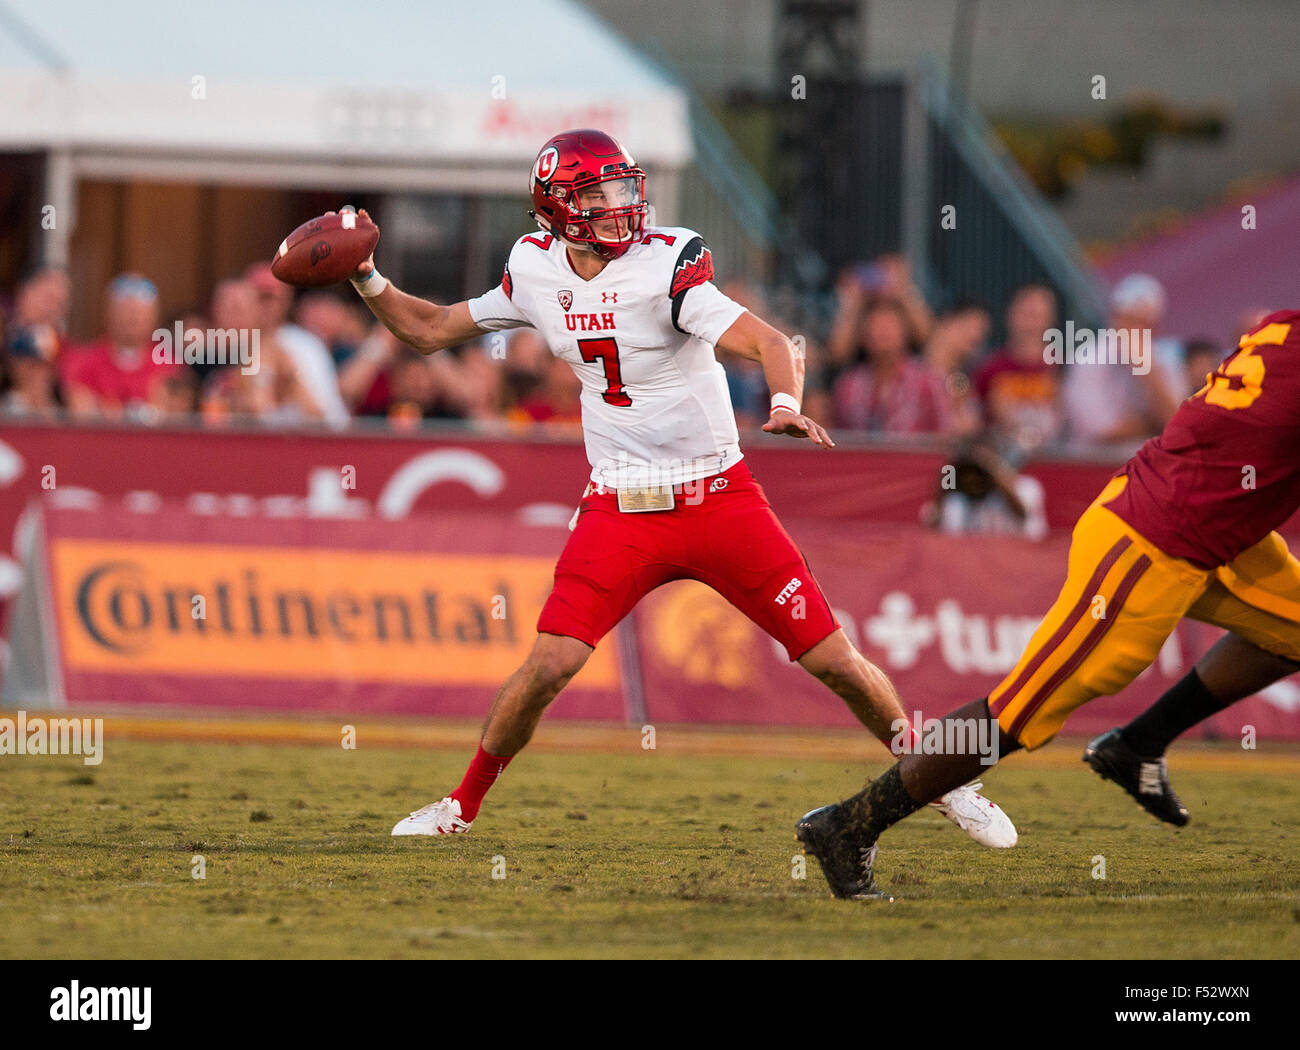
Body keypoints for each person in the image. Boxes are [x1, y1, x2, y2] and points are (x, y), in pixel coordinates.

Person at [344, 128, 1016, 849]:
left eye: (621, 187)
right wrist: (367, 278)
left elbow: (767, 340)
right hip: (621, 504)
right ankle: (460, 805)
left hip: (718, 495)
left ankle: (941, 779)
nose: (619, 204)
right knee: (548, 665)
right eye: (596, 194)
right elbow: (433, 327)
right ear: (557, 210)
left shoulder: (668, 260)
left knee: (835, 660)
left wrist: (785, 404)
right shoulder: (533, 267)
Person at [796, 310, 1300, 898]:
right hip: (1152, 539)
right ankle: (849, 825)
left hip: (1215, 528)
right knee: (1018, 713)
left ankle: (1138, 744)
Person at [59, 274, 185, 422]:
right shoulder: (81, 361)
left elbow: (175, 415)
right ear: (107, 314)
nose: (132, 317)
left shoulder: (169, 365)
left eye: (139, 312)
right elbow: (81, 410)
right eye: (124, 310)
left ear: (154, 317)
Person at [973, 283, 1065, 453]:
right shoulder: (990, 368)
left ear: (1051, 319)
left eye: (1037, 315)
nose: (1030, 323)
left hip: (1054, 459)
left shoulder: (1065, 367)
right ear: (1010, 315)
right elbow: (975, 419)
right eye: (1026, 313)